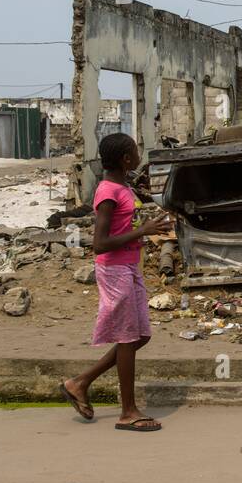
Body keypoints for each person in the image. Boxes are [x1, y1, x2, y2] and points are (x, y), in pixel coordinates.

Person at [60, 133, 172, 431]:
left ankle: (80, 382)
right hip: (114, 270)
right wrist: (143, 231)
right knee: (126, 338)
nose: (139, 156)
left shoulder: (122, 186)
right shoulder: (107, 191)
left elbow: (129, 217)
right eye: (135, 152)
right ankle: (128, 412)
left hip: (129, 267)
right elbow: (100, 244)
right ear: (125, 159)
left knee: (140, 337)